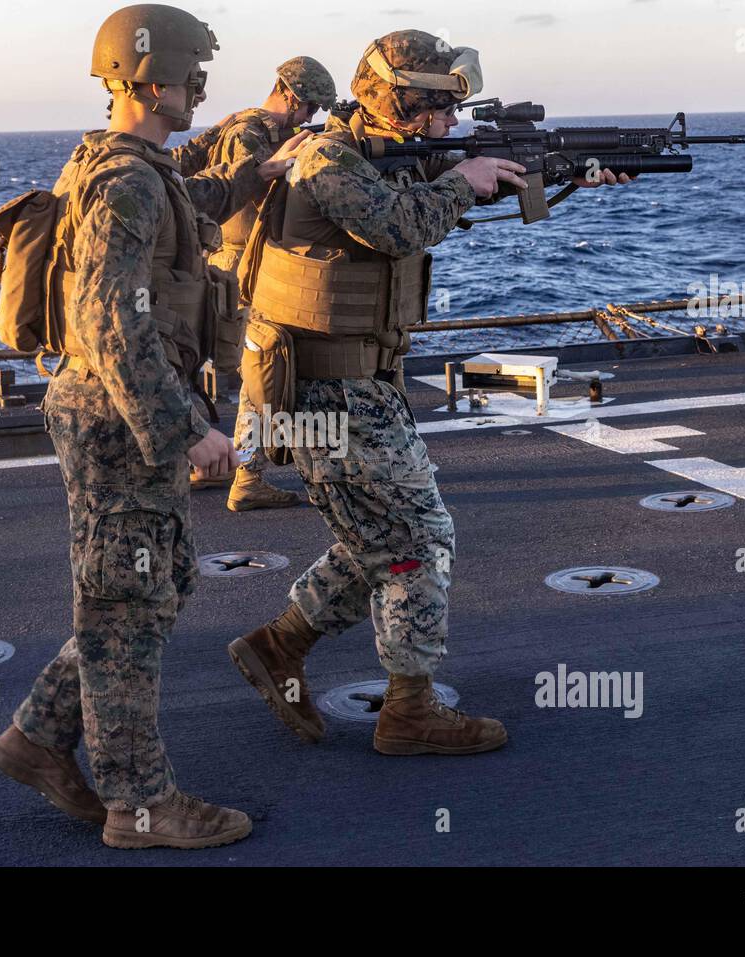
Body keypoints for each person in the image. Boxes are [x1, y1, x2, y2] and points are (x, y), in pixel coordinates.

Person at [228, 30, 633, 754]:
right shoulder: (327, 157)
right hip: (327, 387)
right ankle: (409, 711)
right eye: (436, 109)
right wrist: (461, 178)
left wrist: (570, 178)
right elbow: (396, 226)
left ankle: (278, 646)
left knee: (375, 539)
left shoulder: (385, 156)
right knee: (418, 539)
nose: (449, 125)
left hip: (357, 383)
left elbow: (455, 207)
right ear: (393, 100)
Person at [0, 2, 308, 850]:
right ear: (155, 78)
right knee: (127, 608)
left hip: (114, 408)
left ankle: (35, 737)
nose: (202, 90)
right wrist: (184, 428)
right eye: (195, 76)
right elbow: (109, 322)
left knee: (146, 590)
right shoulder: (126, 180)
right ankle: (141, 806)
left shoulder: (126, 166)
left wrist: (263, 171)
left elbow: (192, 201)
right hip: (119, 417)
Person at [171, 56, 338, 511]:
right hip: (246, 266)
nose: (310, 118)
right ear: (288, 93)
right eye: (308, 107)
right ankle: (247, 476)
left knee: (238, 365)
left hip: (230, 261)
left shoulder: (244, 125)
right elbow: (247, 184)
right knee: (262, 368)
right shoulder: (256, 133)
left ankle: (211, 464)